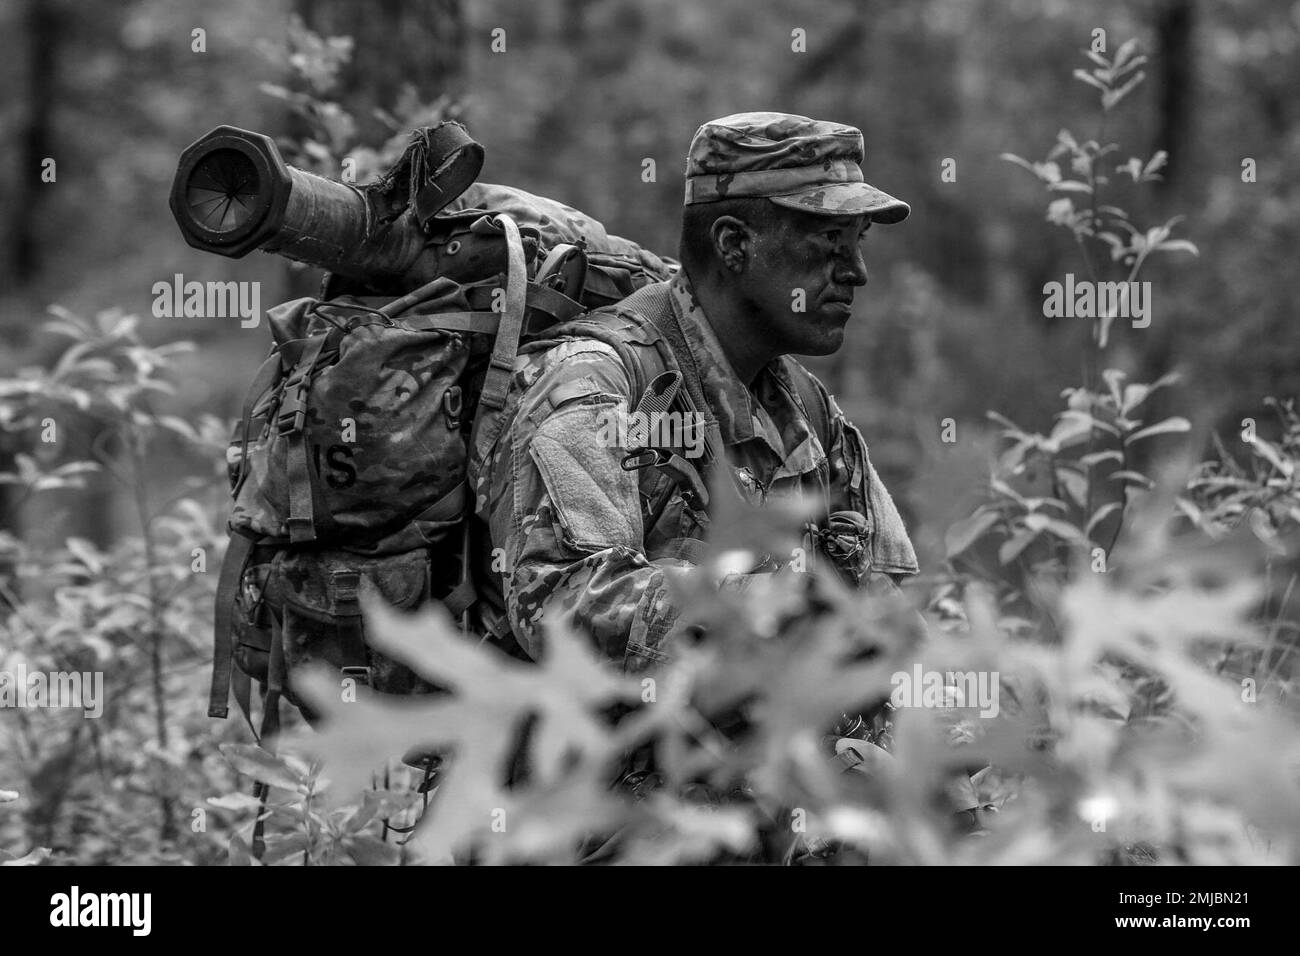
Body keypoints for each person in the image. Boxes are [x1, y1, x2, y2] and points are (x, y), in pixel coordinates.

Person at [471, 111, 919, 673]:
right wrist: (775, 613)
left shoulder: (807, 410)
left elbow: (890, 615)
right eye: (829, 240)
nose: (856, 271)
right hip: (595, 753)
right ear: (734, 244)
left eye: (859, 241)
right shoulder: (594, 382)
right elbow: (565, 603)